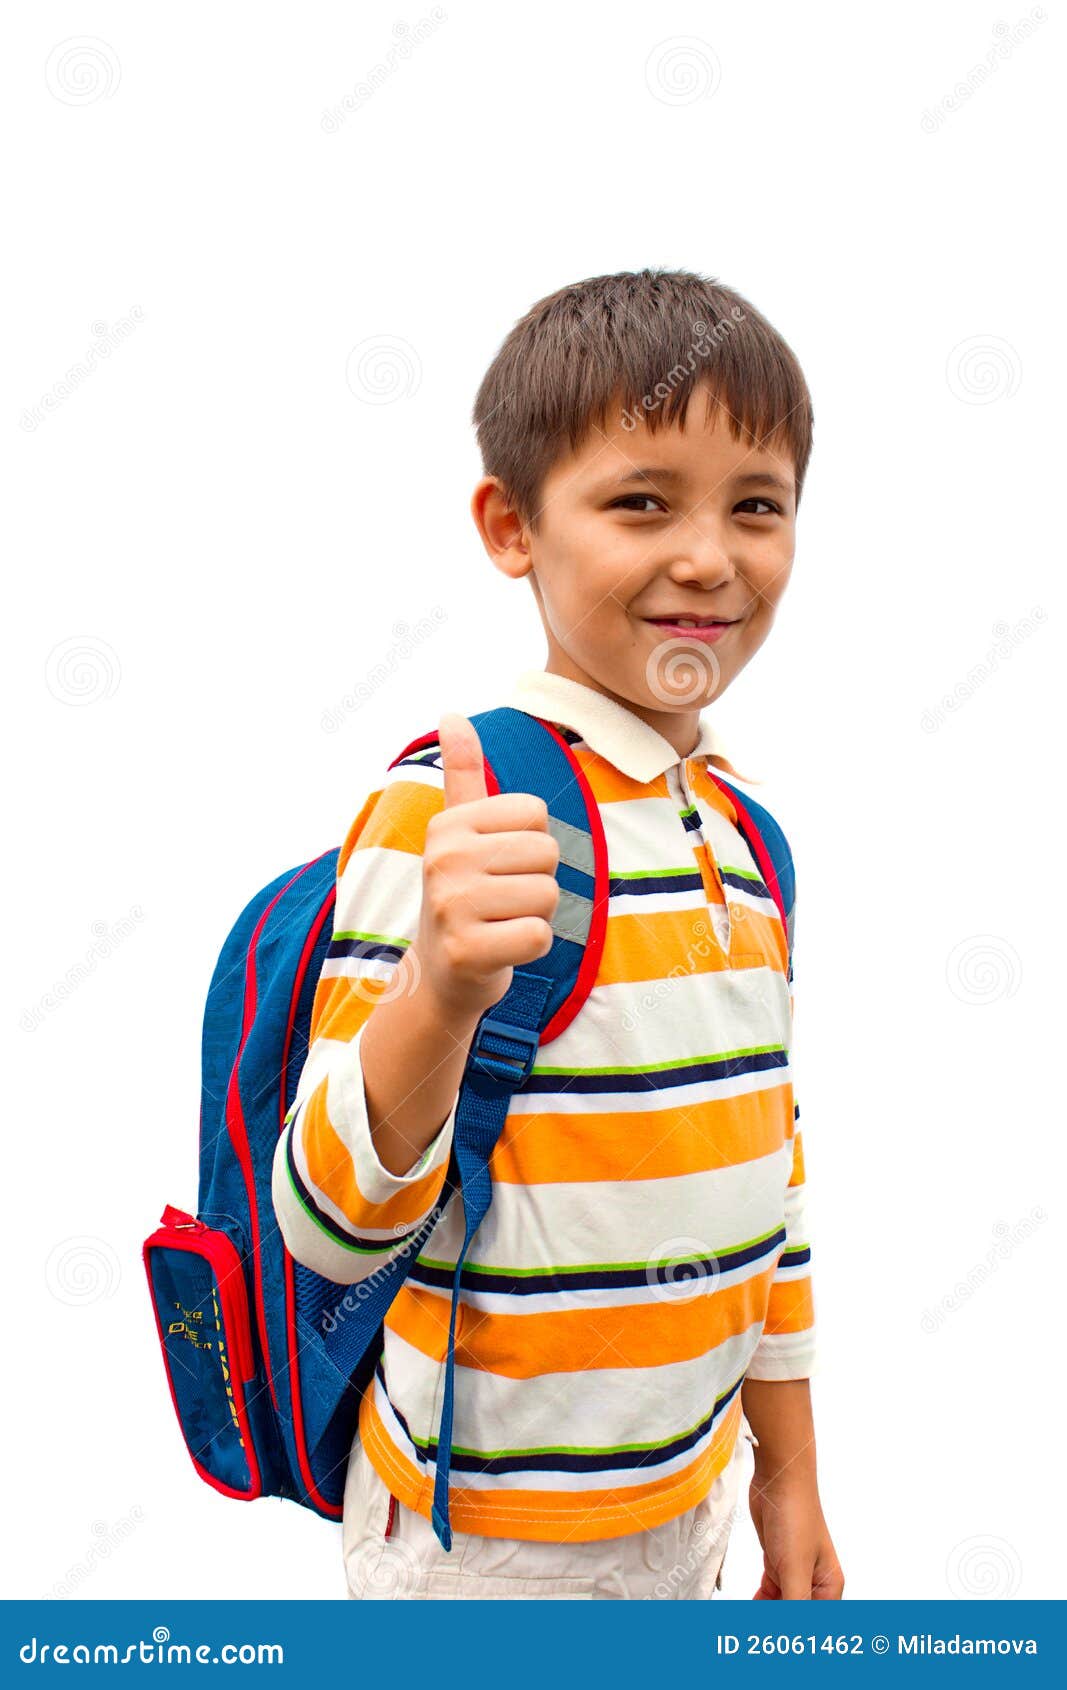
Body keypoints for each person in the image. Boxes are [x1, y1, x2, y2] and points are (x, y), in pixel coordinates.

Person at [271, 267, 844, 1600]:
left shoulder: (746, 835)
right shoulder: (459, 805)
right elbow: (324, 1223)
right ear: (511, 524)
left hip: (687, 1509)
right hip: (480, 1547)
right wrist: (439, 988)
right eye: (642, 500)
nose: (709, 554)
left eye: (755, 505)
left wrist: (786, 1472)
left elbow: (771, 1163)